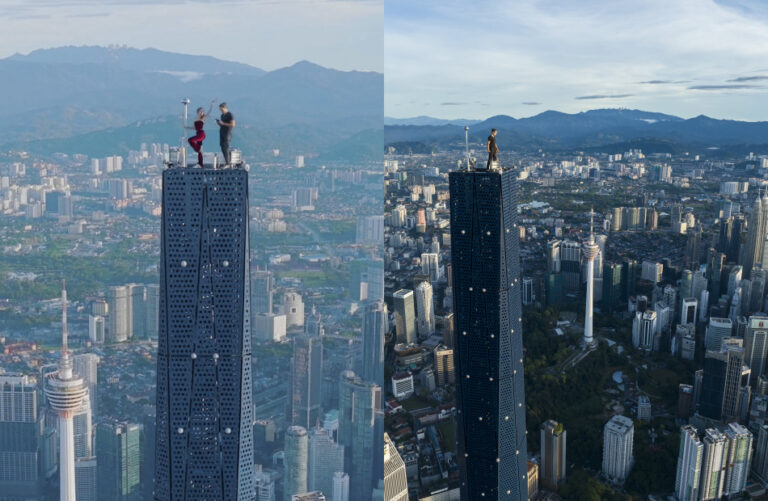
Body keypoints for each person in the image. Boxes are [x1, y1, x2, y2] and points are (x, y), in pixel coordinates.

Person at [186, 100, 215, 166]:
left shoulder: (203, 118)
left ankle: (197, 149)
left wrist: (211, 104)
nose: (202, 112)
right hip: (198, 133)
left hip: (201, 134)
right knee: (200, 152)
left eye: (202, 111)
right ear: (198, 112)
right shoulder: (195, 119)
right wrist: (187, 127)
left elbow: (209, 112)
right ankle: (200, 163)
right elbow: (194, 128)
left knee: (190, 140)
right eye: (201, 111)